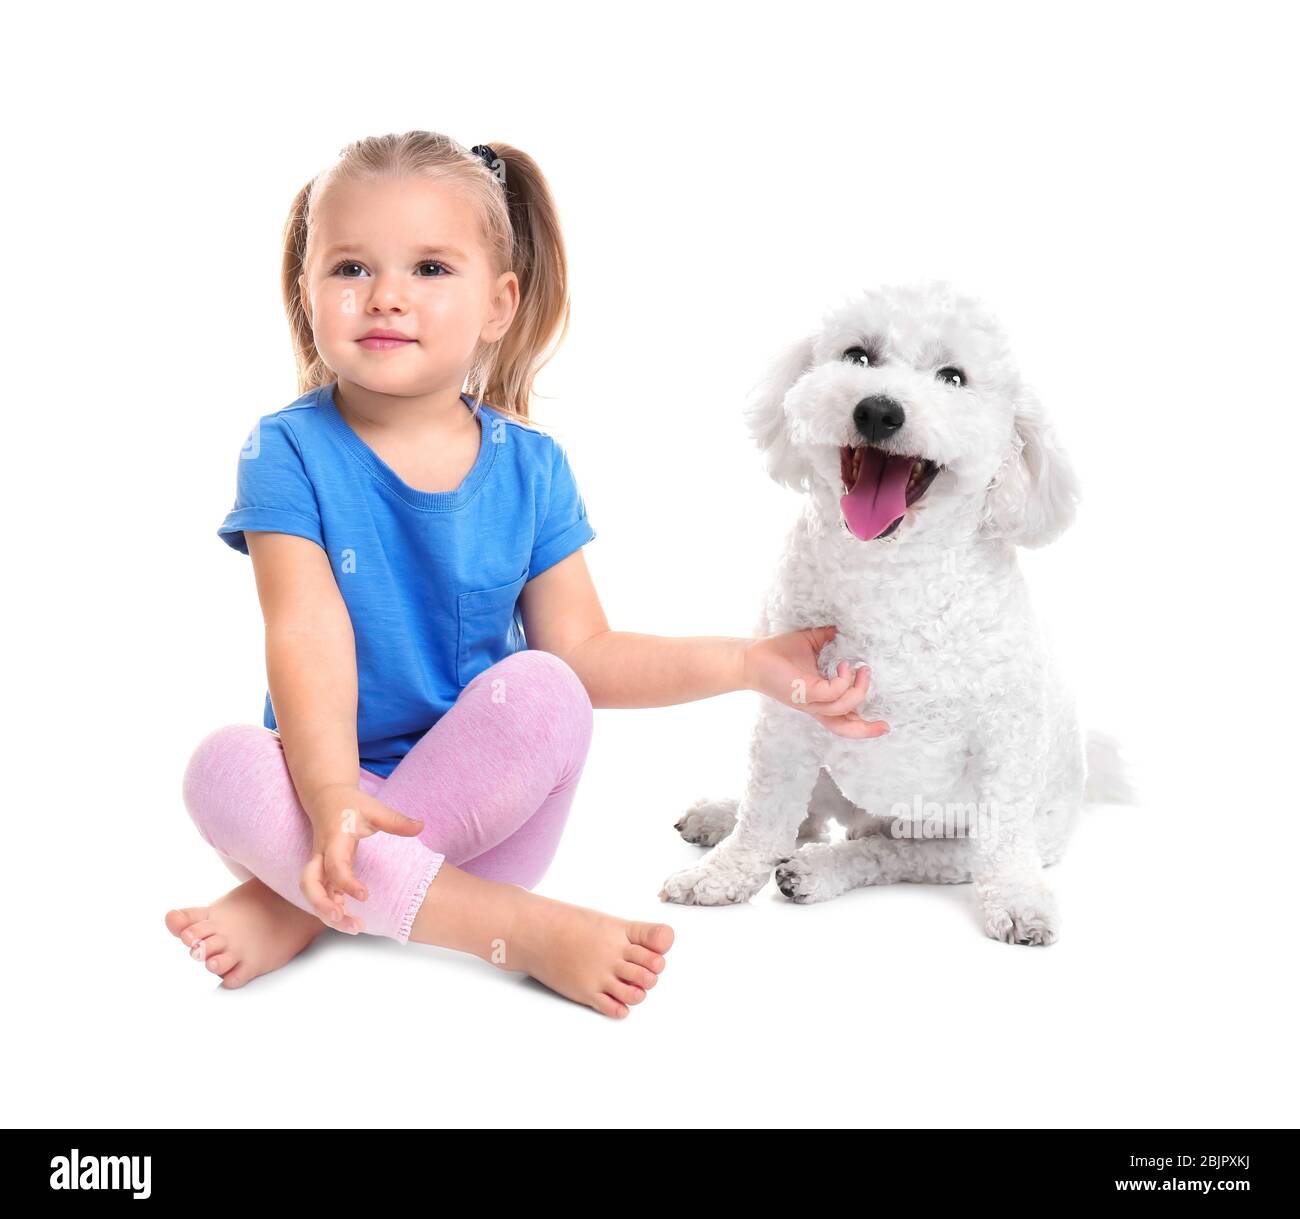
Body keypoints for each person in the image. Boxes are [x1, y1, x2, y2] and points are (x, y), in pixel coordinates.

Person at [166, 131, 885, 1019]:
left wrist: (749, 662)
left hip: (481, 824)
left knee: (547, 685)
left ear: (499, 302)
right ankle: (505, 924)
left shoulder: (530, 467)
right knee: (221, 765)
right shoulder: (285, 450)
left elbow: (585, 651)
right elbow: (305, 628)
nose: (386, 294)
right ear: (306, 291)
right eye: (350, 267)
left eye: (430, 268)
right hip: (318, 801)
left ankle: (298, 903)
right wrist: (332, 794)